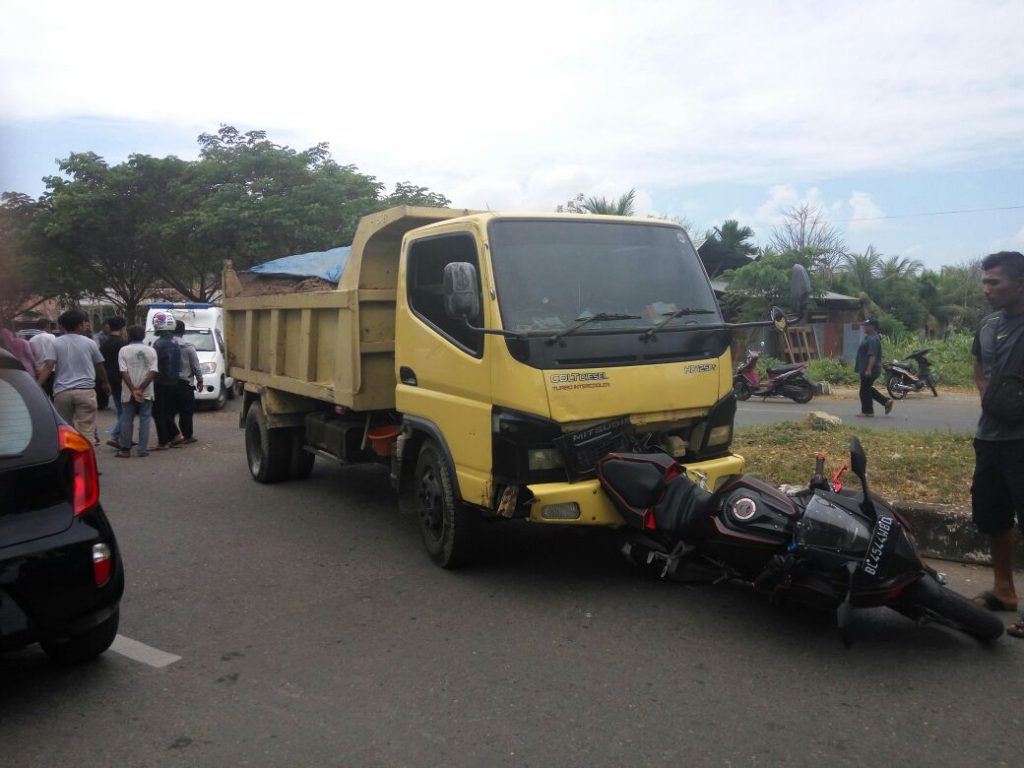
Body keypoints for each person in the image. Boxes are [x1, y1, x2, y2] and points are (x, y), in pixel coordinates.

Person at [967, 251, 1024, 639]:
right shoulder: (987, 326)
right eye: (984, 282)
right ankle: (1004, 591)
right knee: (994, 517)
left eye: (994, 282)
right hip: (989, 438)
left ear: (1019, 284)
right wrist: (989, 397)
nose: (986, 289)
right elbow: (978, 364)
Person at [35, 309, 111, 439]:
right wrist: (105, 382)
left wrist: (37, 386)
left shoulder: (56, 343)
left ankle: (69, 451)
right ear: (80, 324)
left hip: (62, 392)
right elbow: (100, 366)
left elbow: (48, 367)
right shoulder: (90, 343)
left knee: (65, 429)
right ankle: (87, 450)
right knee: (87, 430)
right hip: (85, 392)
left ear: (63, 326)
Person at [116, 324, 158, 458]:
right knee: (145, 419)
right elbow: (153, 371)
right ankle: (142, 449)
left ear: (129, 335)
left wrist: (133, 389)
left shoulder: (123, 350)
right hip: (147, 390)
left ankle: (125, 449)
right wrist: (141, 388)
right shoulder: (151, 351)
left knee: (127, 419)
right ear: (143, 336)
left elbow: (123, 371)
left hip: (128, 390)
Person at [151, 311, 183, 450]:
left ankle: (164, 441)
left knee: (158, 412)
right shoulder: (175, 342)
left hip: (161, 382)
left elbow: (154, 364)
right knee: (167, 411)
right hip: (174, 381)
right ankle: (174, 435)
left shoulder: (159, 344)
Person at [854, 317, 894, 417]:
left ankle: (868, 411)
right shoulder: (869, 337)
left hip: (871, 369)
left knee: (864, 391)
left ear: (872, 327)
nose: (864, 327)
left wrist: (868, 369)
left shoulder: (873, 339)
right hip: (866, 368)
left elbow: (873, 355)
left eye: (866, 326)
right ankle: (886, 401)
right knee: (867, 389)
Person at [173, 320, 204, 444]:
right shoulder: (188, 347)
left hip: (169, 382)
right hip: (185, 383)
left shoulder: (166, 344)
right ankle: (187, 436)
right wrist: (200, 380)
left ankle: (172, 435)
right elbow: (195, 366)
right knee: (186, 411)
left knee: (169, 411)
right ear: (183, 331)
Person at [99, 317, 128, 448]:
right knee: (126, 411)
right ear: (122, 328)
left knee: (120, 409)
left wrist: (104, 381)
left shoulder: (104, 344)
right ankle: (115, 435)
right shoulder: (123, 344)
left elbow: (101, 363)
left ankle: (123, 436)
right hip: (122, 379)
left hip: (109, 379)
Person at [28, 318, 56, 397]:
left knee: (43, 394)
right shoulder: (52, 337)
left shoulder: (32, 340)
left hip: (39, 371)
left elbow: (32, 356)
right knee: (53, 394)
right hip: (52, 369)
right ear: (47, 325)